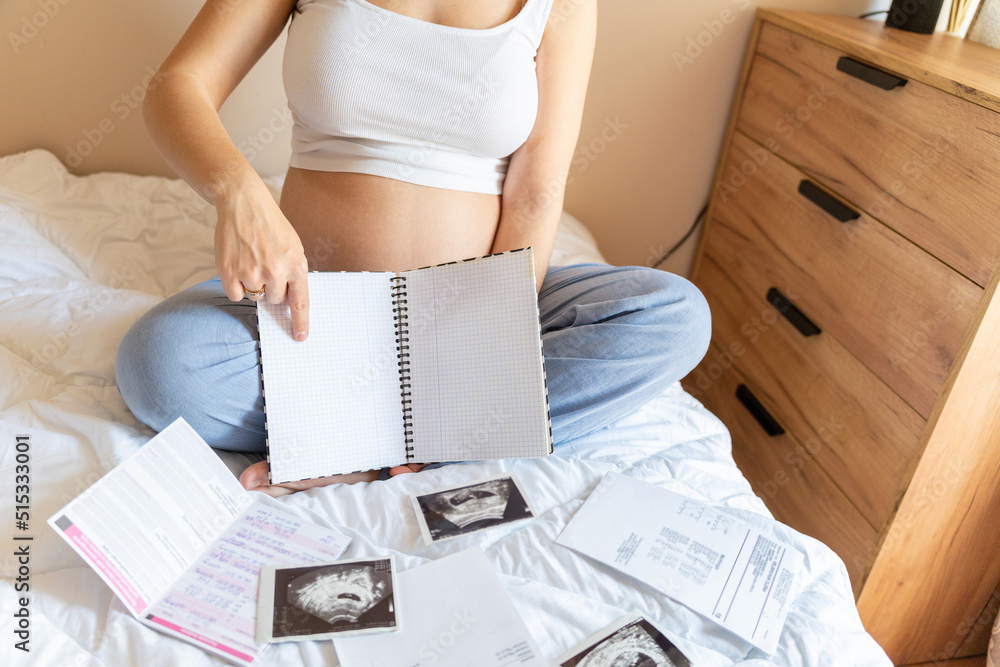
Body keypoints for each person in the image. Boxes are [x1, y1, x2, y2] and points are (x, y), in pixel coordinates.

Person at [116, 0, 711, 497]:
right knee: (161, 365)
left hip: (474, 319)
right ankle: (432, 434)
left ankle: (391, 439)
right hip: (311, 320)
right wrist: (237, 191)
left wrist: (475, 353)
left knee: (672, 317)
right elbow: (179, 85)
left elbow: (534, 196)